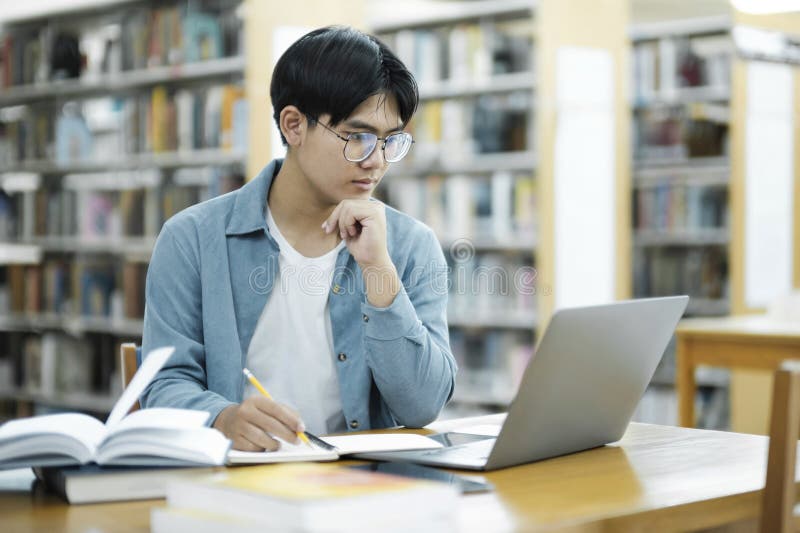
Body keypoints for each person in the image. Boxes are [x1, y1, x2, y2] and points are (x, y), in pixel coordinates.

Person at [141, 26, 456, 451]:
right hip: (236, 477)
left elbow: (423, 406)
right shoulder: (191, 240)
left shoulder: (411, 245)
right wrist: (221, 419)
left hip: (362, 482)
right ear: (293, 126)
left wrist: (378, 270)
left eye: (390, 141)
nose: (377, 161)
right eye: (359, 138)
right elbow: (163, 384)